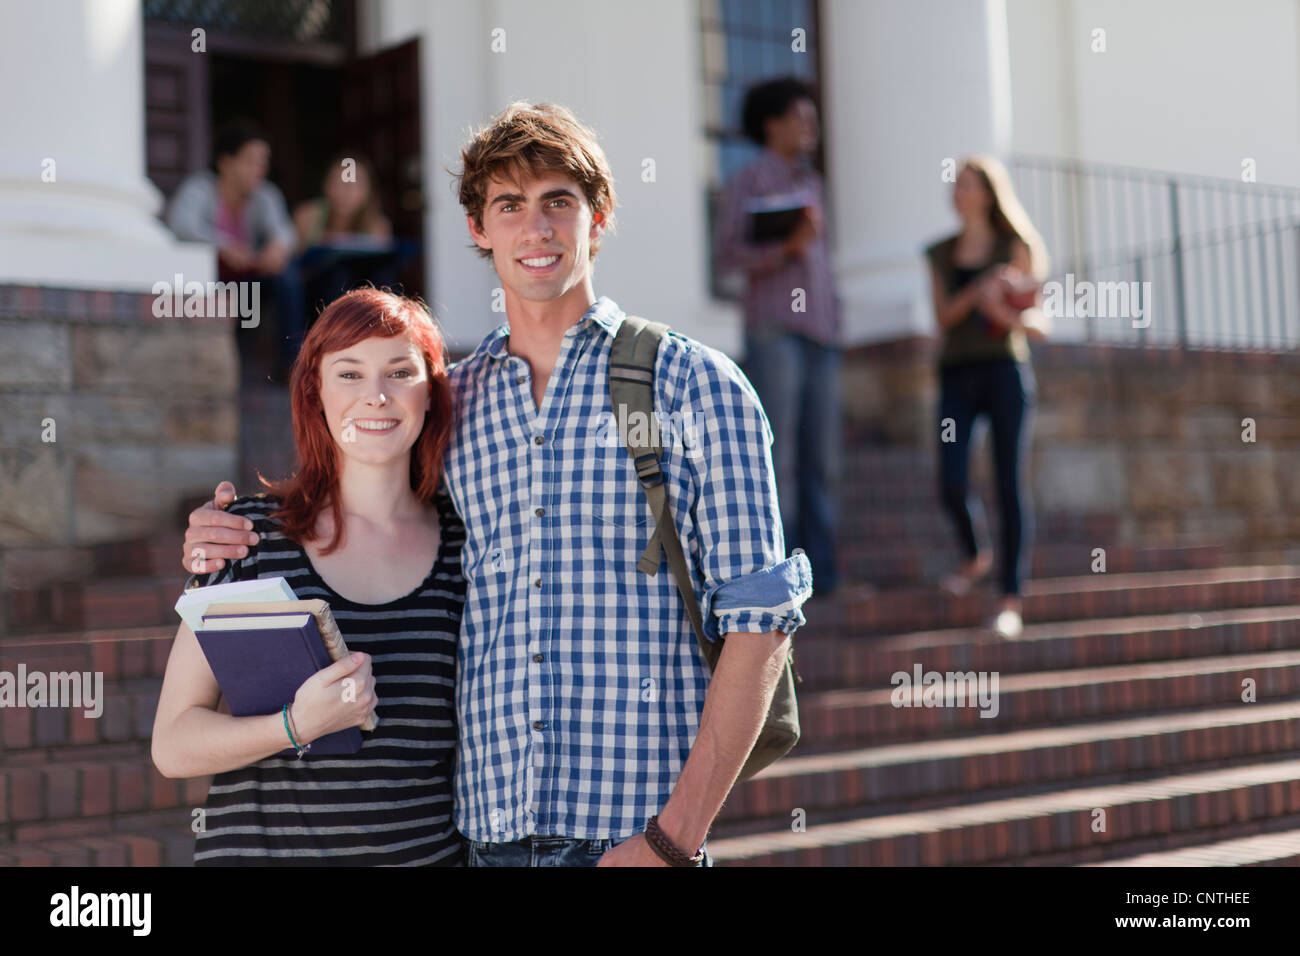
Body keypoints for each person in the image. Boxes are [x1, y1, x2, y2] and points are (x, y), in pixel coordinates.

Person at [180, 101, 812, 867]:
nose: (535, 229)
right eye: (508, 206)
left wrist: (672, 839)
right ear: (479, 229)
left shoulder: (697, 388)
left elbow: (762, 623)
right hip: (483, 842)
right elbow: (361, 504)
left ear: (598, 217)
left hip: (634, 836)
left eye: (558, 202)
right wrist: (238, 525)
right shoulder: (450, 403)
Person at [152, 288, 464, 865]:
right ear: (316, 392)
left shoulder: (470, 549)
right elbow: (173, 745)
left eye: (400, 371)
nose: (376, 396)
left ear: (430, 394)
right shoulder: (247, 536)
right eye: (349, 373)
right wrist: (295, 727)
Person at [714, 75, 842, 596]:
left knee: (823, 462)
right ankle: (783, 582)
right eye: (799, 117)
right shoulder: (747, 181)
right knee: (779, 456)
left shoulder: (814, 185)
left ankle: (825, 578)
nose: (810, 126)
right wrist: (786, 247)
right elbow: (726, 256)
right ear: (772, 124)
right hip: (774, 333)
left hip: (821, 336)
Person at [924, 156, 1051, 640]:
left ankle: (1009, 600)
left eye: (967, 183)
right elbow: (943, 316)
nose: (957, 191)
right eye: (955, 183)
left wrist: (1002, 308)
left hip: (1004, 370)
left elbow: (1038, 322)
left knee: (1008, 484)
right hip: (957, 374)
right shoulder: (939, 252)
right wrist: (979, 288)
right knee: (951, 478)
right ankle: (976, 553)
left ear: (989, 193)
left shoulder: (1013, 246)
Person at [166, 120, 305, 377]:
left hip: (251, 284)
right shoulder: (200, 189)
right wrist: (223, 247)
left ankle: (292, 365)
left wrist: (277, 247)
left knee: (287, 276)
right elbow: (181, 224)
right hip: (210, 283)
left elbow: (285, 232)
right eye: (251, 161)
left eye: (263, 162)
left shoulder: (266, 195)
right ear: (225, 163)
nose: (259, 169)